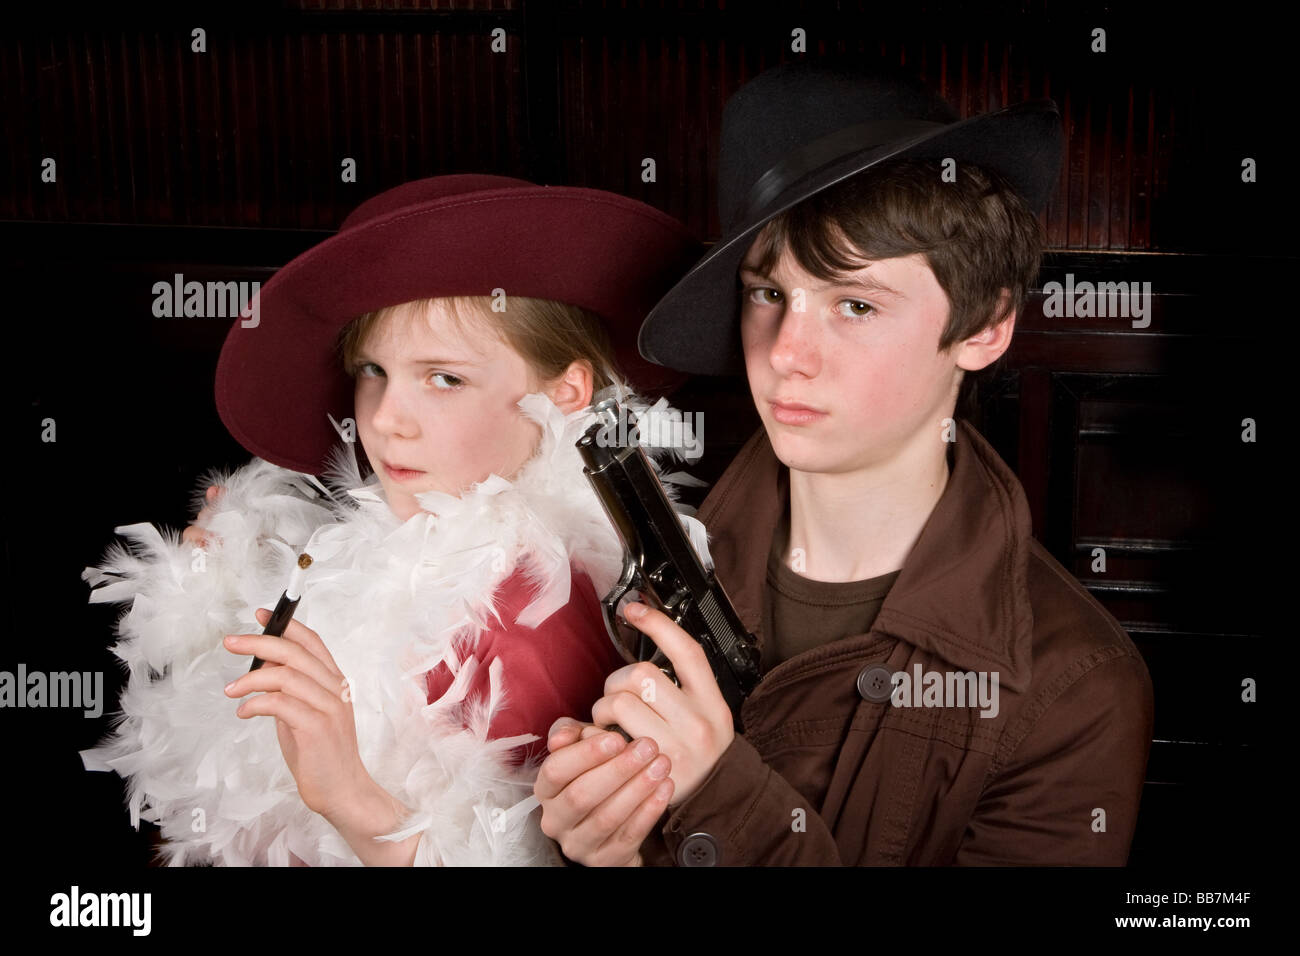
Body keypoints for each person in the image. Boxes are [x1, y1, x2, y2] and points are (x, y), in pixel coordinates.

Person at [533, 61, 1156, 866]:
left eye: (854, 304)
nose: (788, 354)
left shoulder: (1075, 691)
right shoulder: (624, 569)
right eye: (768, 293)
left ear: (986, 326)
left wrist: (720, 798)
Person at [80, 174, 701, 866]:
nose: (383, 419)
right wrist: (226, 607)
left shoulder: (532, 617)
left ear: (563, 393)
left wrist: (348, 796)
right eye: (373, 370)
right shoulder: (384, 545)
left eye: (444, 378)